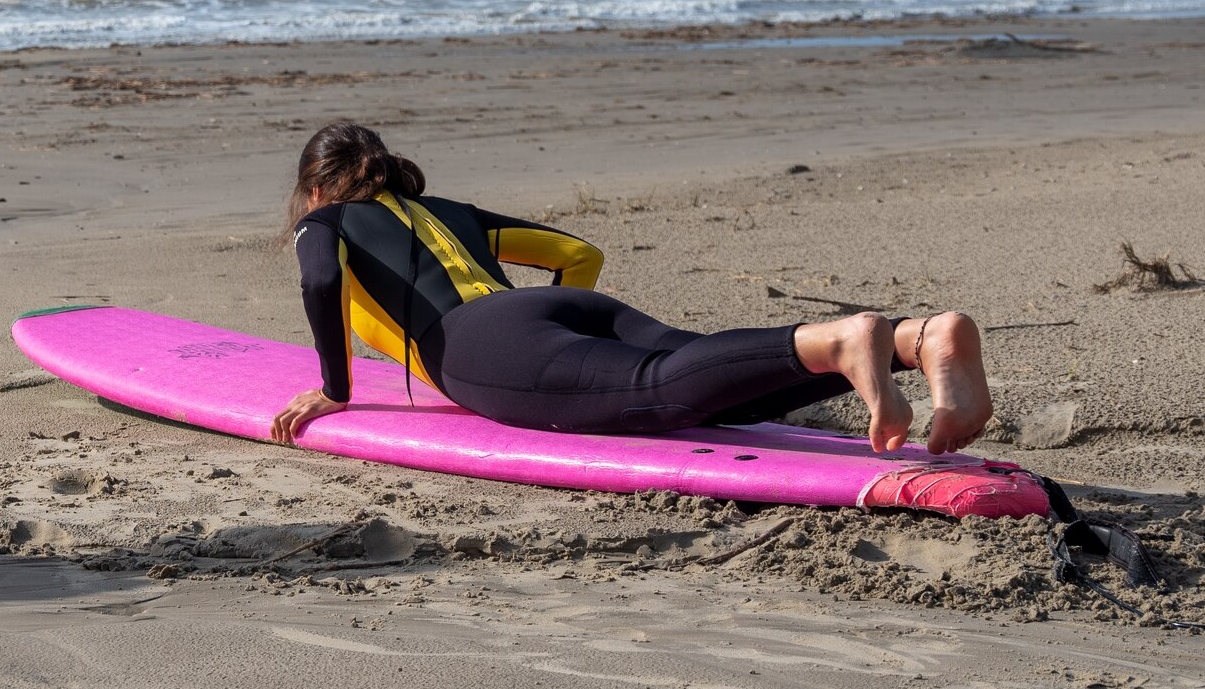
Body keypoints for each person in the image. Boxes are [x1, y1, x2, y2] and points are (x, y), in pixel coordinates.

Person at [266, 121, 994, 456]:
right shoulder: (446, 212)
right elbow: (574, 253)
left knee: (656, 393)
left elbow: (321, 279)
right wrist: (557, 325)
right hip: (557, 307)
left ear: (318, 186)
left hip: (481, 342)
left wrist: (336, 388)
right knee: (723, 389)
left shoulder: (326, 220)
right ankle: (914, 340)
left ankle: (847, 335)